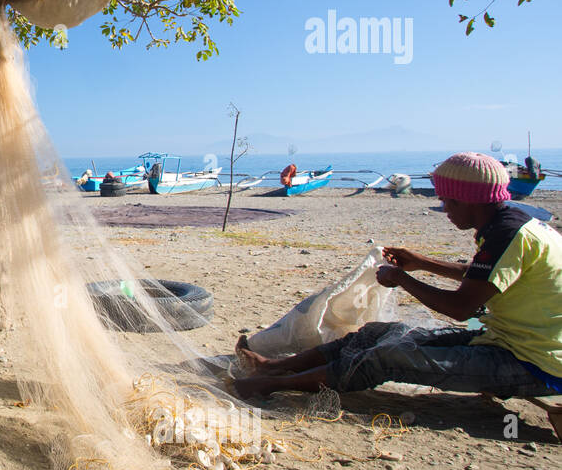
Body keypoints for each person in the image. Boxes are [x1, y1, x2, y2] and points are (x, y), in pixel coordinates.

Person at [234, 152, 562, 402]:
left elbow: (461, 307)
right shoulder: (509, 223)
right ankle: (273, 366)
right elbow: (483, 277)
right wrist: (421, 263)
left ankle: (273, 385)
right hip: (502, 340)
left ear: (469, 199)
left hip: (533, 362)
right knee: (378, 333)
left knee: (388, 356)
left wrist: (400, 278)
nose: (445, 209)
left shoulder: (508, 234)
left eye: (448, 200)